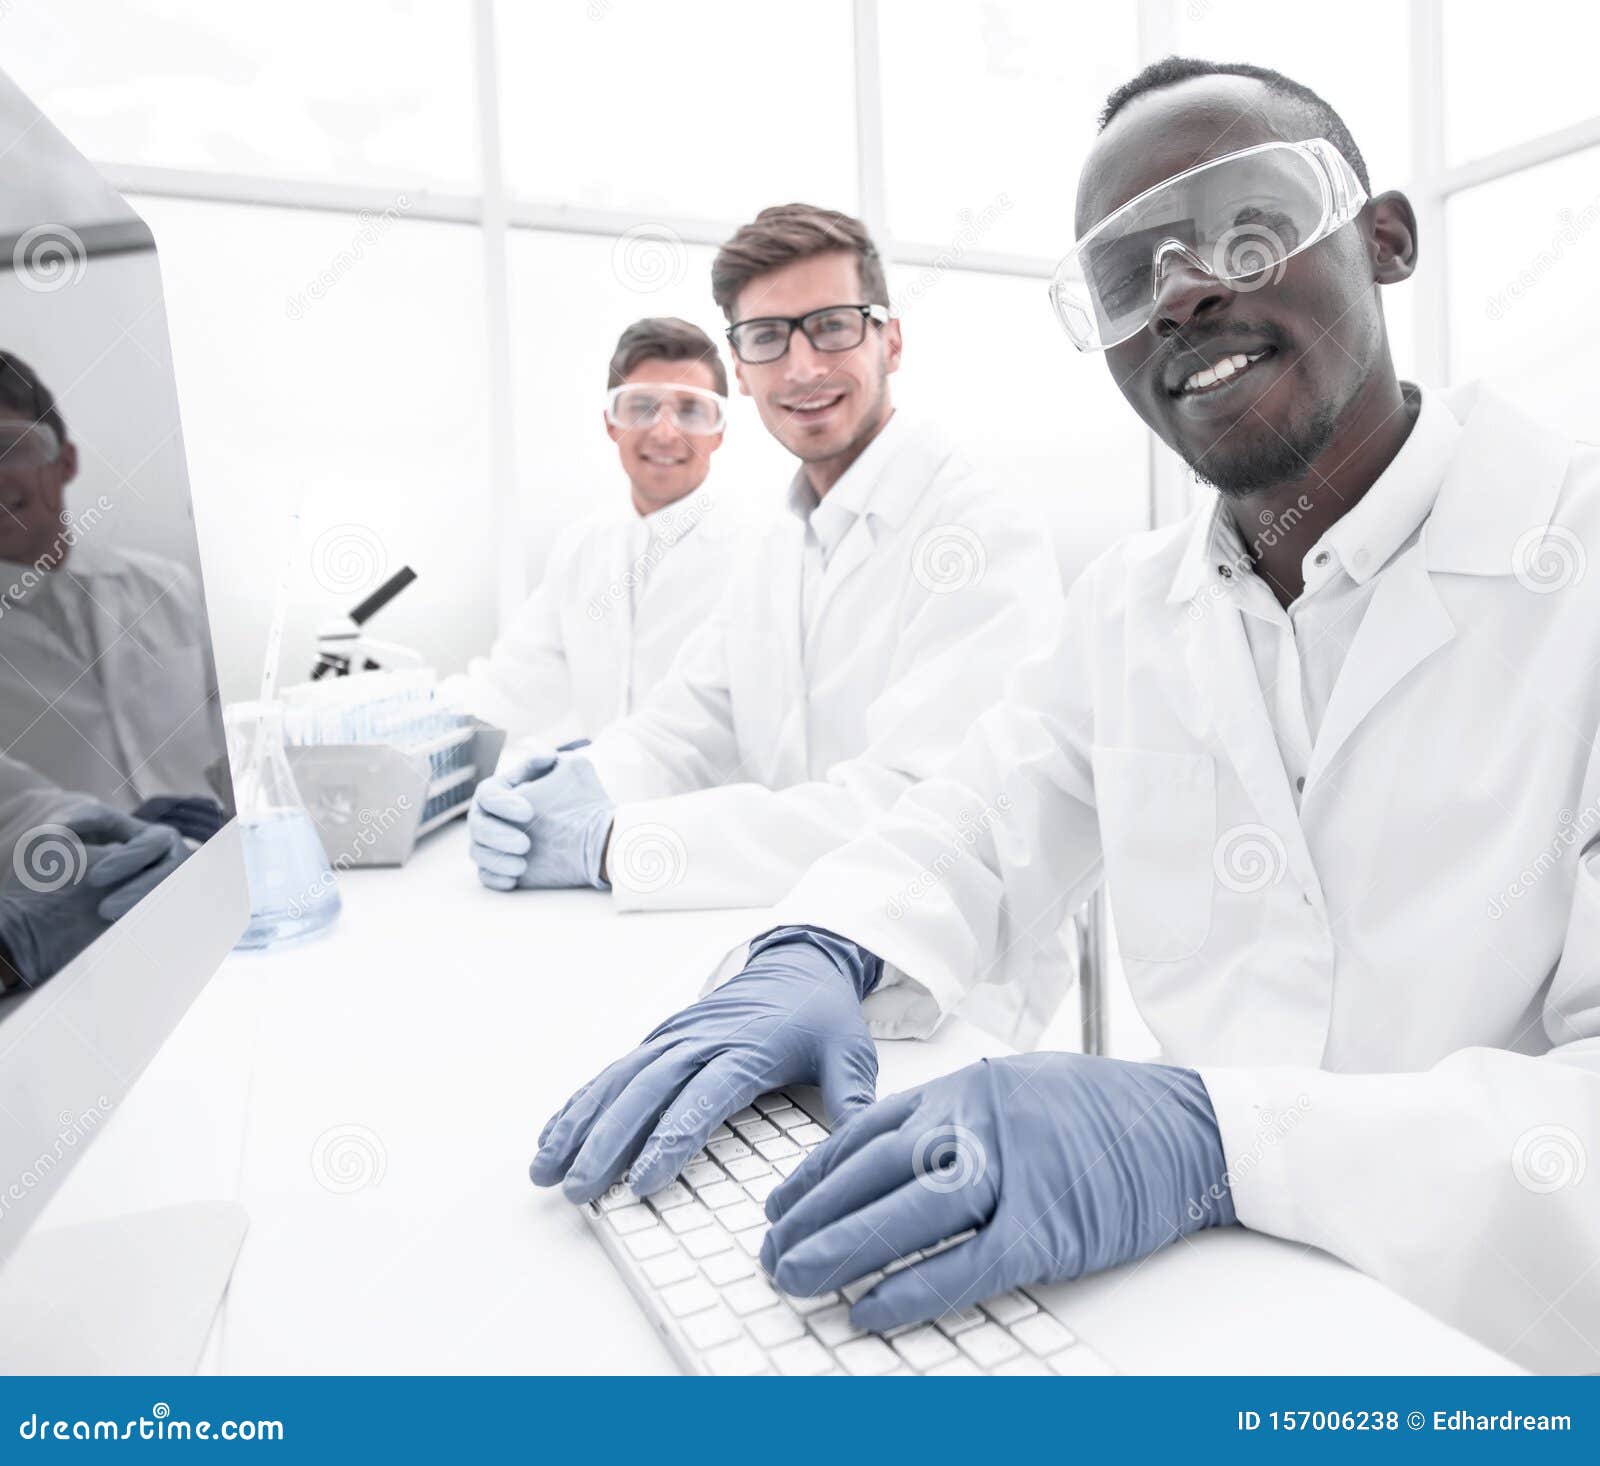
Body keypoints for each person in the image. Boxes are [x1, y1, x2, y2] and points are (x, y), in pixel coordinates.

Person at [531, 61, 1600, 1374]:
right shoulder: (1133, 610)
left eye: (1243, 228)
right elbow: (973, 821)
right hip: (1218, 1318)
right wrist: (819, 945)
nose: (1183, 291)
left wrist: (1216, 1138)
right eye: (1128, 272)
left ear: (1386, 237)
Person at [468, 204, 1063, 918]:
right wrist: (579, 782)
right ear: (743, 372)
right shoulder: (777, 545)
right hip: (793, 935)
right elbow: (685, 725)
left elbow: (918, 807)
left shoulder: (978, 527)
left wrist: (610, 844)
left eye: (834, 326)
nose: (802, 367)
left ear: (892, 341)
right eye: (766, 338)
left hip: (949, 979)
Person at [449, 318, 738, 747]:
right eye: (640, 407)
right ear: (611, 424)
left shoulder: (757, 551)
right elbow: (512, 684)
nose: (664, 432)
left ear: (718, 433)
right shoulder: (583, 546)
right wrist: (399, 720)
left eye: (691, 410)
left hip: (708, 809)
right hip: (605, 802)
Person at [0, 351, 223, 827]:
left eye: (11, 447)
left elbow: (237, 735)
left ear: (65, 462)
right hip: (77, 890)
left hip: (214, 859)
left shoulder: (169, 587)